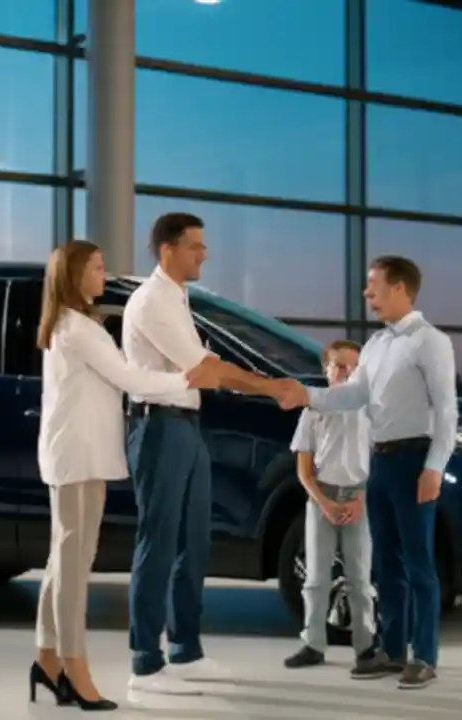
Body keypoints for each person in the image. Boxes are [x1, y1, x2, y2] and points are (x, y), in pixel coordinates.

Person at [31, 240, 220, 712]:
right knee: (74, 568)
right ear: (74, 275)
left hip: (72, 456)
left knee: (62, 561)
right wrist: (190, 379)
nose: (104, 273)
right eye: (96, 267)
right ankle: (75, 669)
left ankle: (47, 659)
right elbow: (132, 380)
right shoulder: (80, 331)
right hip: (80, 459)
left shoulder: (70, 326)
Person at [122, 212, 287, 700]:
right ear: (167, 249)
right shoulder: (152, 301)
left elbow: (201, 371)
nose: (205, 254)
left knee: (193, 541)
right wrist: (271, 386)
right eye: (195, 246)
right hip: (158, 428)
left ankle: (185, 651)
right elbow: (204, 371)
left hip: (186, 427)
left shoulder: (177, 299)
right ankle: (144, 663)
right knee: (157, 542)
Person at [275, 255, 458, 690]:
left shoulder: (430, 341)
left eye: (373, 284)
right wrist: (308, 395)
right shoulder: (375, 345)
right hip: (380, 462)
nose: (367, 293)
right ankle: (393, 652)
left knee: (419, 564)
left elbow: (448, 411)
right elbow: (353, 395)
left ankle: (425, 656)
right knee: (387, 565)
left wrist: (434, 467)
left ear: (400, 288)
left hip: (415, 460)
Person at [282, 339, 377, 672]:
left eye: (353, 366)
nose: (345, 372)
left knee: (360, 579)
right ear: (326, 369)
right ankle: (313, 644)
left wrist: (362, 497)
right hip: (321, 498)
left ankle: (366, 647)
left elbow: (377, 460)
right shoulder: (313, 411)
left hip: (358, 498)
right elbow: (304, 468)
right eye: (338, 365)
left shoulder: (368, 410)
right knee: (316, 578)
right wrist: (321, 502)